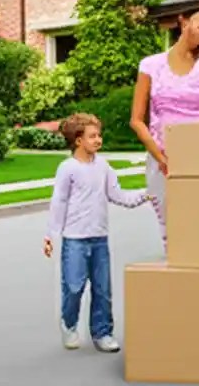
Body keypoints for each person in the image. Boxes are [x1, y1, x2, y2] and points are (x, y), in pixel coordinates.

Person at [129, 6, 199, 248]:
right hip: (161, 156)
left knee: (198, 229)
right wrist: (160, 157)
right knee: (171, 230)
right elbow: (136, 120)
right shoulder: (151, 65)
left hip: (197, 158)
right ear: (183, 23)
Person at [43, 113, 149, 353]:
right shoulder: (67, 168)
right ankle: (69, 324)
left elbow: (118, 195)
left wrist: (145, 194)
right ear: (78, 140)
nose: (98, 140)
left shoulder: (103, 167)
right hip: (75, 240)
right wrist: (51, 235)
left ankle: (103, 332)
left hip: (99, 238)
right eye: (92, 136)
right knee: (73, 287)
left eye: (98, 135)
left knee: (102, 289)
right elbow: (59, 202)